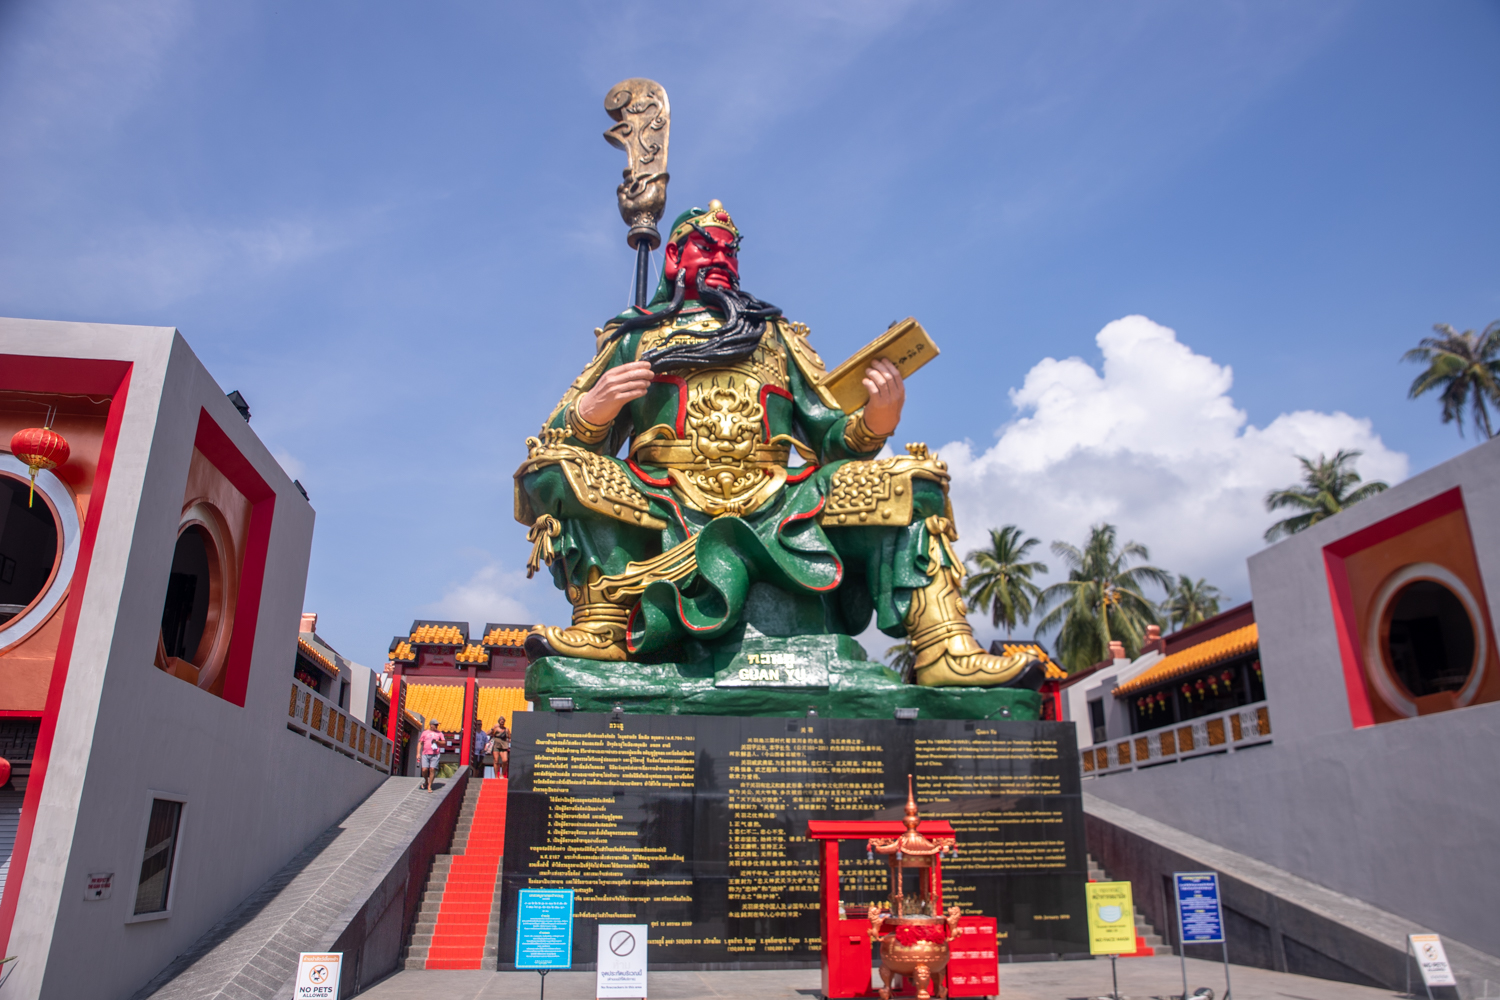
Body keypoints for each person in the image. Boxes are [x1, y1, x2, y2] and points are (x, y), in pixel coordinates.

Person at [515, 200, 1042, 688]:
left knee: (912, 481)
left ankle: (943, 645)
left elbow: (833, 441)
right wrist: (593, 411)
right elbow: (558, 432)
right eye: (707, 245)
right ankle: (603, 627)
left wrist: (877, 420)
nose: (722, 258)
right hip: (661, 495)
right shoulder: (634, 337)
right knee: (554, 468)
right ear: (674, 256)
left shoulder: (778, 336)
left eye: (730, 249)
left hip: (780, 500)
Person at [417, 719, 444, 791]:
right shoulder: (425, 733)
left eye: (437, 725)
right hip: (425, 753)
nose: (436, 726)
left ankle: (430, 785)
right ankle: (426, 781)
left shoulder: (439, 733)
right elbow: (420, 742)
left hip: (435, 754)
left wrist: (438, 742)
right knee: (424, 769)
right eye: (435, 725)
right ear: (431, 725)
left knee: (432, 769)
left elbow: (444, 743)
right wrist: (418, 753)